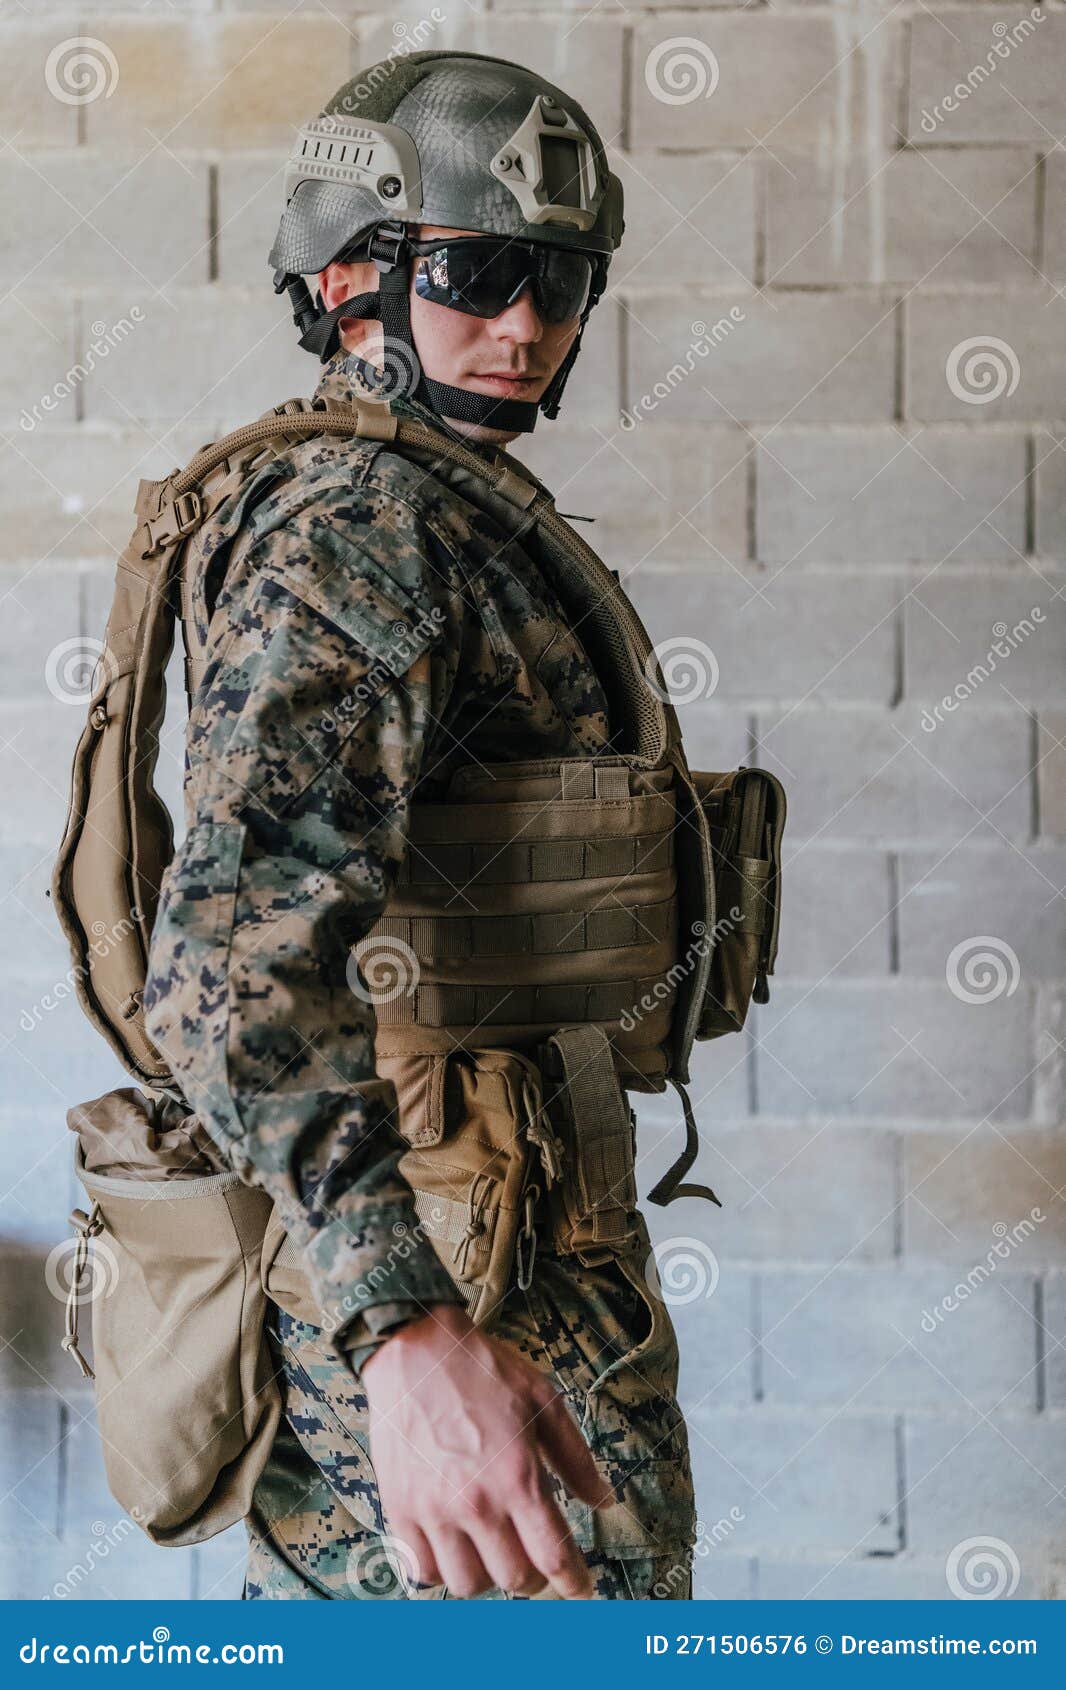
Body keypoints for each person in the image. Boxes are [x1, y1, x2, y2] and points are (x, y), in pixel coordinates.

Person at [143, 49, 699, 1602]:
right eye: (476, 272)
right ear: (347, 275)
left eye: (560, 282)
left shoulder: (423, 502)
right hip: (462, 1275)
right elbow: (230, 969)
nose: (525, 322)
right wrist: (409, 1334)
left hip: (496, 1238)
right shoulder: (359, 525)